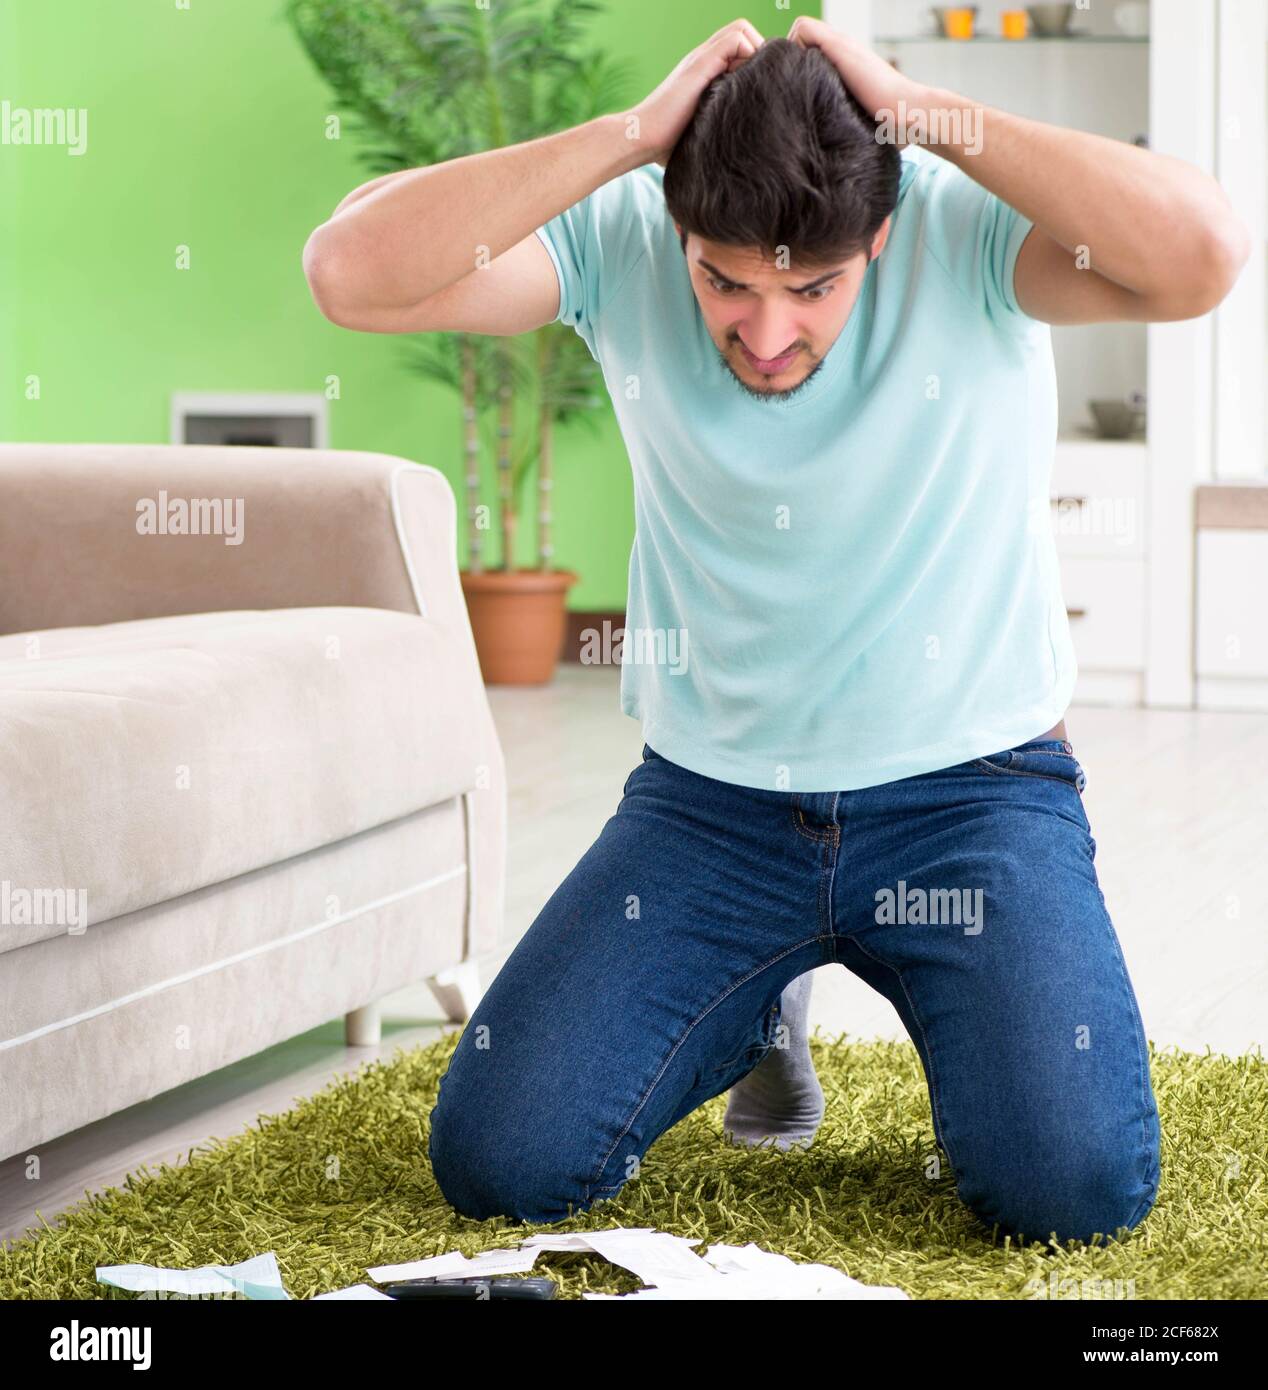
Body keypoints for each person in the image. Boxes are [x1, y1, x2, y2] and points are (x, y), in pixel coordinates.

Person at [303, 17, 1249, 1245]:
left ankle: (838, 985)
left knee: (1066, 1192)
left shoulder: (964, 231)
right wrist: (629, 138)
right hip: (713, 809)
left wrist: (919, 108)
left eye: (812, 287)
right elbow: (349, 273)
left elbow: (1202, 256)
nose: (763, 334)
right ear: (680, 234)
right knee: (503, 1158)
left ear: (879, 236)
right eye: (723, 281)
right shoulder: (625, 232)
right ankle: (758, 998)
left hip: (970, 799)